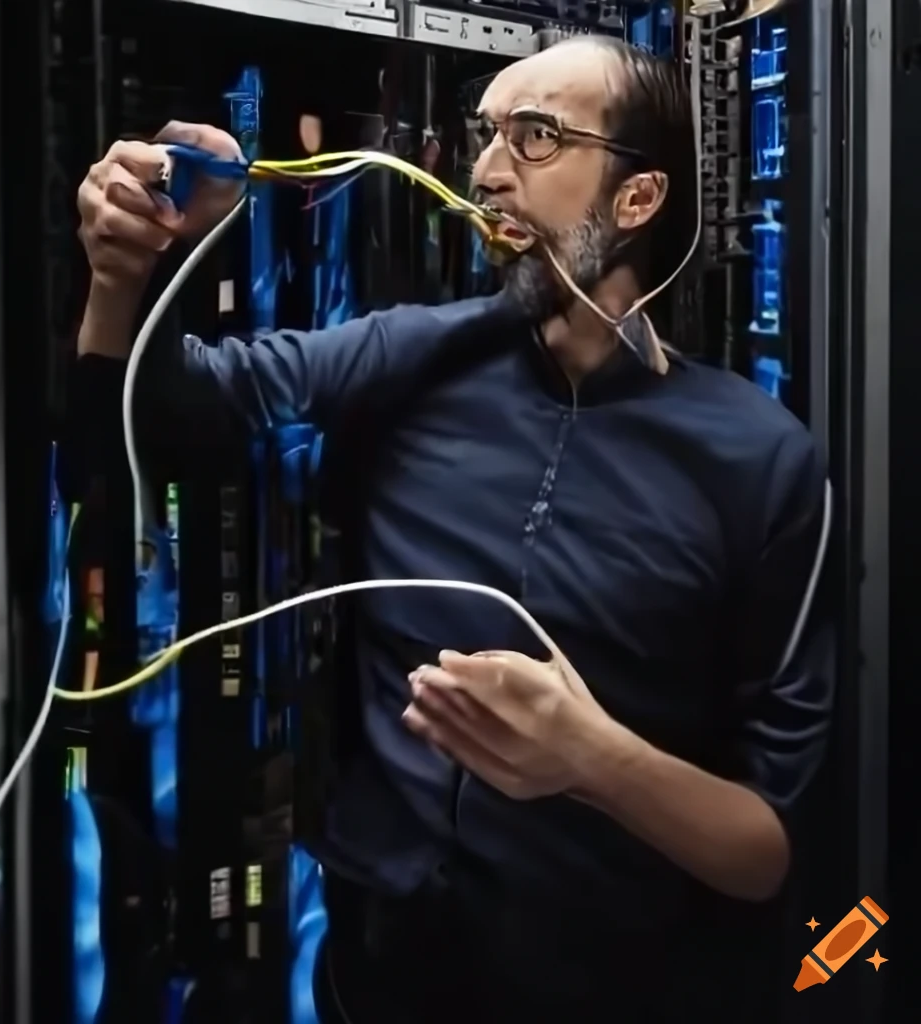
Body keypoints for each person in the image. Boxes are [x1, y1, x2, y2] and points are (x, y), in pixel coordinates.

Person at [70, 35, 833, 1024]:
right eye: (485, 135)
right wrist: (132, 265)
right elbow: (146, 422)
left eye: (534, 135)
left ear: (636, 200)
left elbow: (764, 848)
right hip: (379, 978)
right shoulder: (409, 355)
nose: (483, 168)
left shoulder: (759, 458)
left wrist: (595, 761)